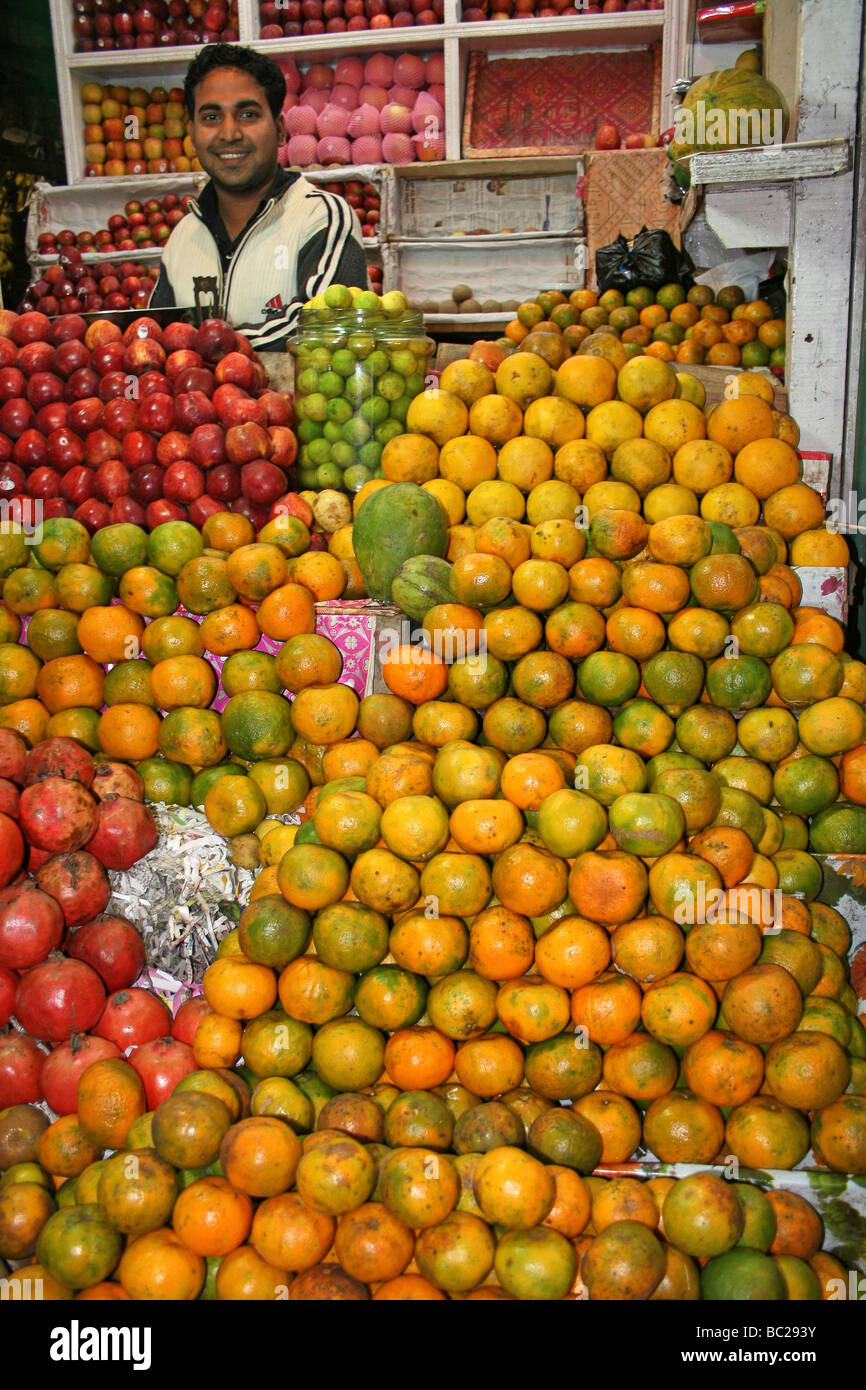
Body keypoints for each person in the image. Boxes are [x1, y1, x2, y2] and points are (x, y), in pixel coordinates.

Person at [150, 43, 368, 351]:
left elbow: (328, 328)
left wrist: (205, 352)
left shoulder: (322, 218)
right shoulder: (183, 237)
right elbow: (157, 343)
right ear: (193, 134)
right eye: (211, 117)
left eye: (248, 114)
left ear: (280, 131)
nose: (229, 133)